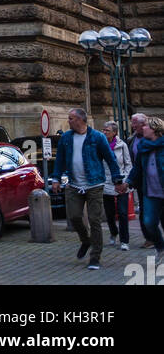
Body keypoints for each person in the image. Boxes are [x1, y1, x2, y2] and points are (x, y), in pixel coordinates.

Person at [51, 107, 125, 271]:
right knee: (74, 216)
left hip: (94, 184)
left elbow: (110, 158)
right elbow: (60, 159)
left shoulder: (97, 137)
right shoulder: (66, 138)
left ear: (80, 120)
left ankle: (95, 257)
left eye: (71, 118)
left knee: (94, 220)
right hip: (74, 184)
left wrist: (117, 179)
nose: (68, 121)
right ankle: (86, 240)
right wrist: (56, 178)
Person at [127, 116, 164, 259]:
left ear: (155, 129)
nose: (143, 128)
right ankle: (160, 248)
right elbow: (137, 168)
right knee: (149, 222)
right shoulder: (143, 147)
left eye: (146, 126)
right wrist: (128, 182)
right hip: (150, 191)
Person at [102, 120, 131, 250]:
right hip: (106, 182)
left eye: (107, 130)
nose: (104, 132)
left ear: (114, 132)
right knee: (109, 213)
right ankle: (114, 233)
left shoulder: (122, 145)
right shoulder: (101, 145)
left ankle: (124, 241)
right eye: (103, 130)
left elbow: (128, 164)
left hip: (121, 182)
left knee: (123, 212)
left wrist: (125, 180)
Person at [128, 113, 151, 247]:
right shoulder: (132, 139)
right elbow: (134, 162)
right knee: (144, 209)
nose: (132, 125)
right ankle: (149, 238)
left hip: (156, 179)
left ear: (143, 124)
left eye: (135, 122)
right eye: (132, 122)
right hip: (141, 180)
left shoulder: (155, 138)